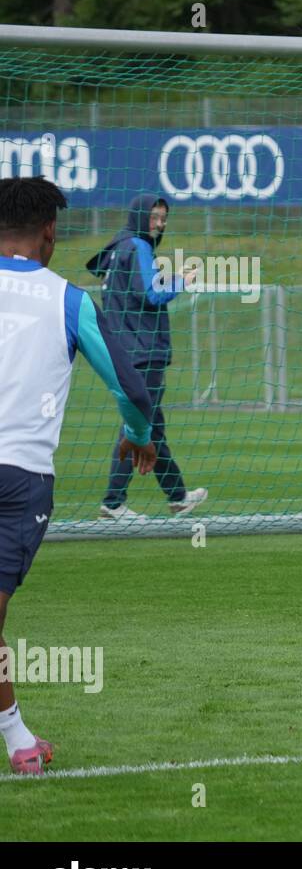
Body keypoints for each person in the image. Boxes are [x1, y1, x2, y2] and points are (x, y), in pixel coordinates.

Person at [0, 176, 158, 774]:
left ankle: (18, 740)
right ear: (49, 233)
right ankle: (20, 744)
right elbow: (135, 390)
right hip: (20, 480)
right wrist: (137, 438)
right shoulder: (68, 299)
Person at [90, 193, 206, 520]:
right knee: (138, 425)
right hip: (144, 352)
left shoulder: (116, 249)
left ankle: (178, 496)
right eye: (154, 216)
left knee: (152, 427)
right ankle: (113, 503)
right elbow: (152, 294)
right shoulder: (138, 247)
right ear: (140, 215)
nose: (159, 223)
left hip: (125, 351)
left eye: (163, 218)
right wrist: (181, 279)